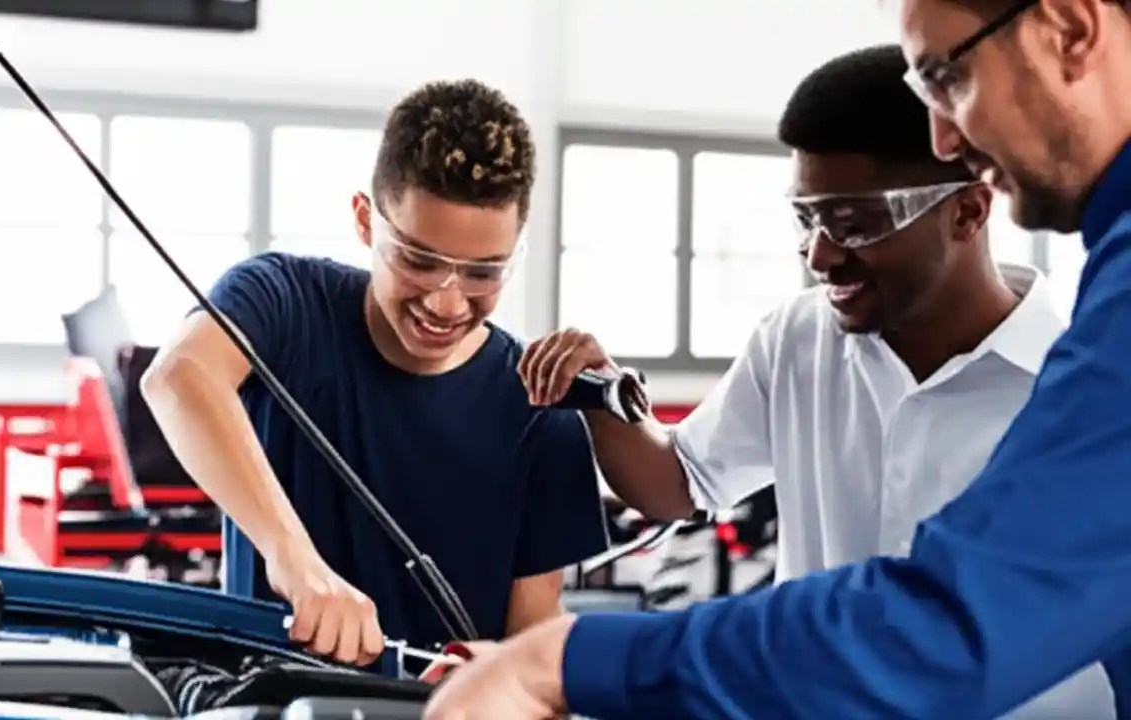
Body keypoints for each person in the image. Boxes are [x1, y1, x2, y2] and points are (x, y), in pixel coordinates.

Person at [423, 1, 1131, 713]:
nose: (948, 133)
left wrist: (561, 661)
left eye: (952, 78)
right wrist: (602, 398)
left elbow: (946, 627)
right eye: (809, 221)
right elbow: (682, 479)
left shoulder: (1079, 367)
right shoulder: (800, 340)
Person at [141, 78, 609, 667]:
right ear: (366, 221)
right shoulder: (283, 302)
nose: (447, 302)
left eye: (482, 273)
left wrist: (492, 679)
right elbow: (179, 377)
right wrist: (297, 562)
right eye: (418, 259)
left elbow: (530, 646)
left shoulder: (540, 412)